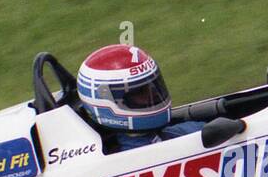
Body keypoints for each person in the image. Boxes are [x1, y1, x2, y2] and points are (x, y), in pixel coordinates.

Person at [76, 44, 204, 152]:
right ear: (106, 102)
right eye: (141, 92)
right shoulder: (125, 161)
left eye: (153, 86)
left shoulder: (178, 133)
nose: (153, 94)